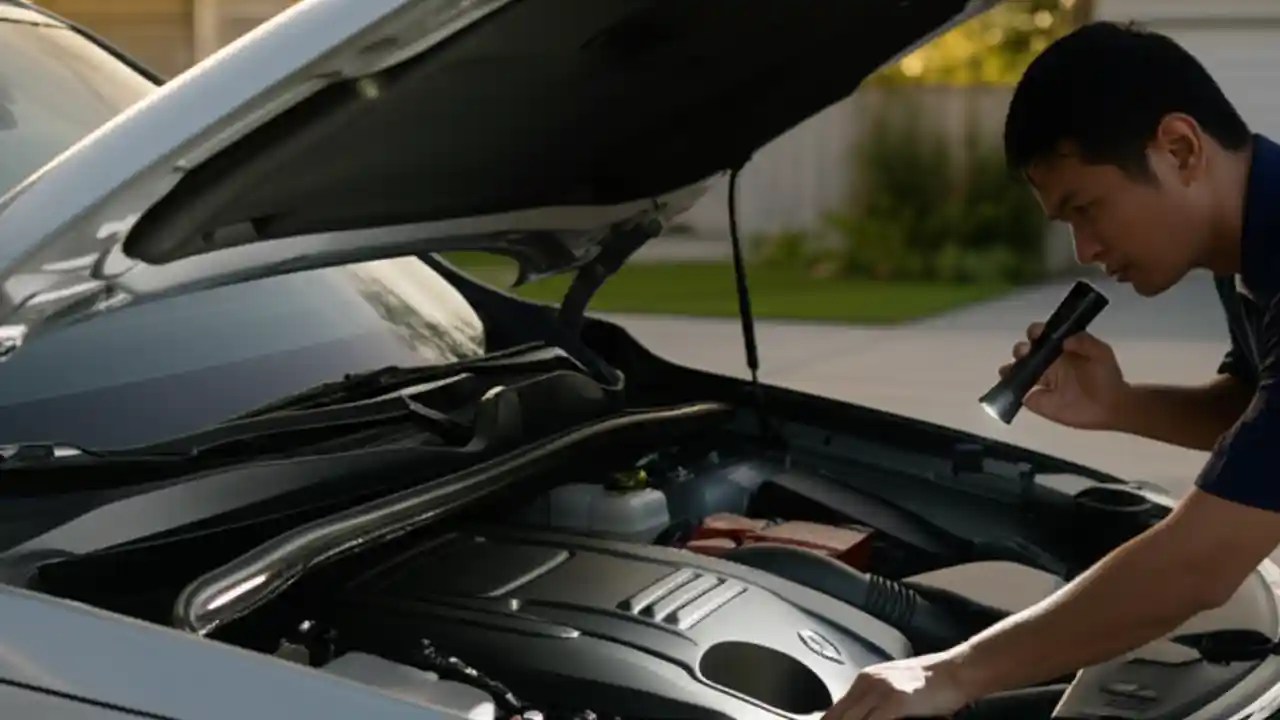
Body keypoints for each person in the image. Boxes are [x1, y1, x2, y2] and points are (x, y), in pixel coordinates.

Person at [823, 20, 1280, 720]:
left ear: (1181, 149)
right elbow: (1254, 408)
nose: (1085, 248)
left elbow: (1200, 564)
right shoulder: (1248, 250)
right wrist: (1122, 405)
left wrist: (951, 674)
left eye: (1087, 209)